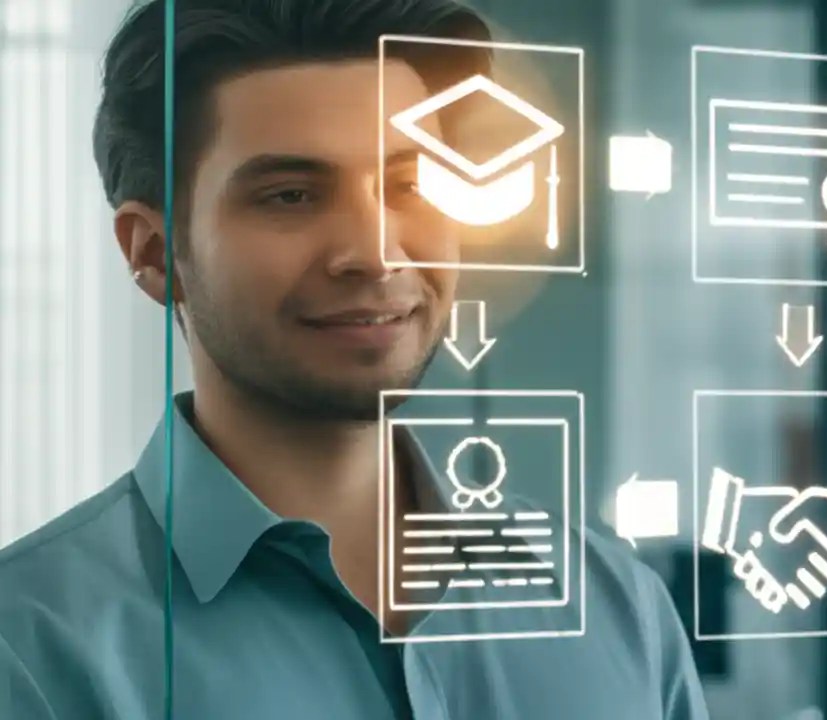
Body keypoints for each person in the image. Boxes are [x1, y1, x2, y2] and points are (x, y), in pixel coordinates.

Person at [0, 1, 708, 717]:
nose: (374, 252)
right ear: (154, 254)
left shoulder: (616, 602)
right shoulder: (29, 647)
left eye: (411, 185)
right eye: (291, 195)